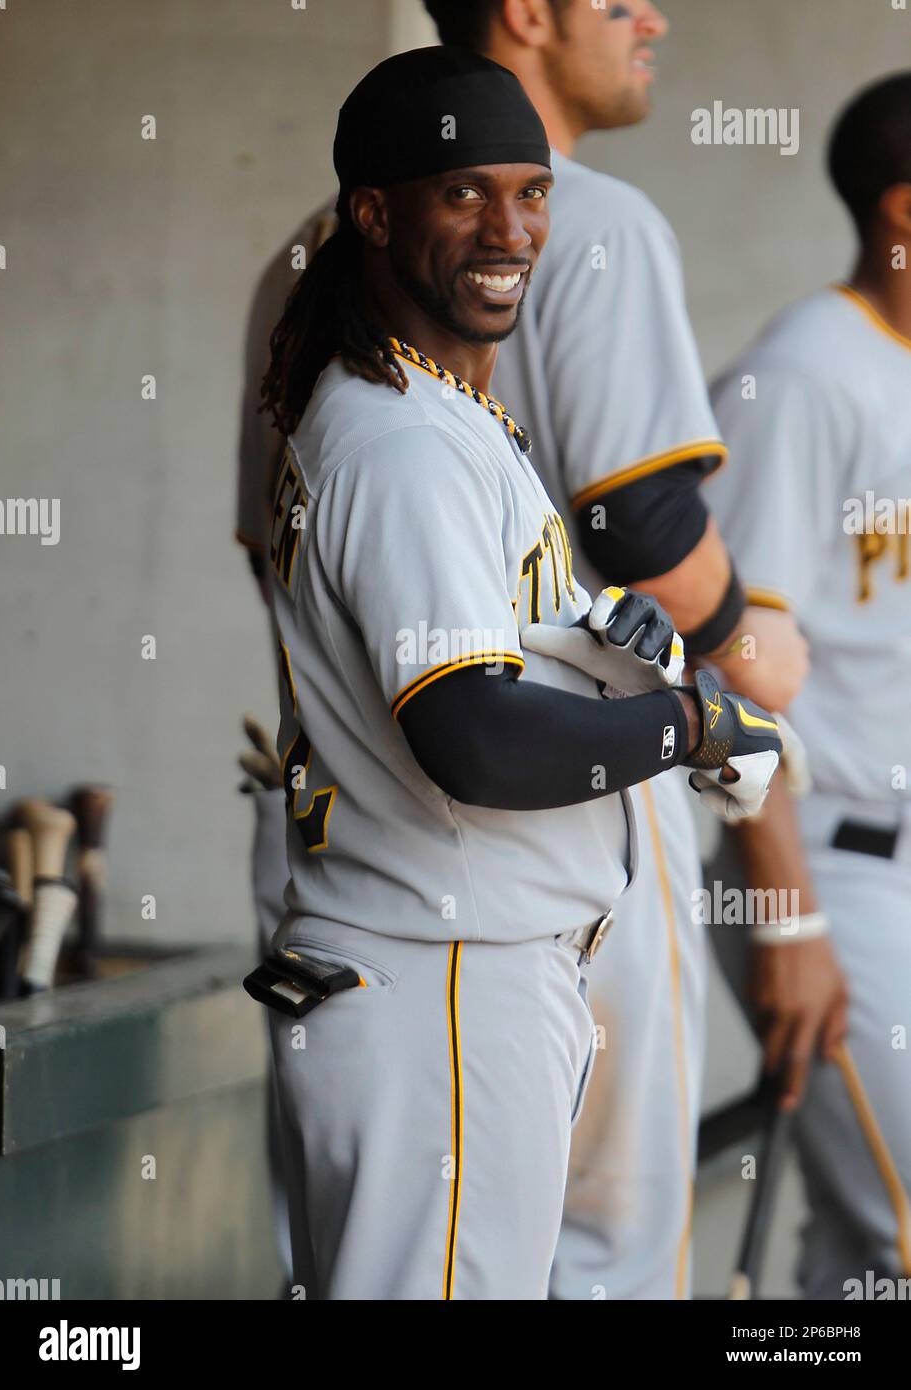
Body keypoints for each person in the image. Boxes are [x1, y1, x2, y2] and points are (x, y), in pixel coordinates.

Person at [237, 0, 810, 1301]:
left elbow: (464, 662)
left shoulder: (423, 406)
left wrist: (606, 661)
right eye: (464, 195)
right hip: (441, 968)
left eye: (529, 195)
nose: (512, 233)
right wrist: (695, 721)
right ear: (375, 214)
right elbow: (472, 732)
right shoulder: (396, 436)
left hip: (434, 955)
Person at [707, 72, 911, 1299]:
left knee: (860, 1255)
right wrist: (786, 920)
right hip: (827, 861)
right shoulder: (803, 374)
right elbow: (728, 661)